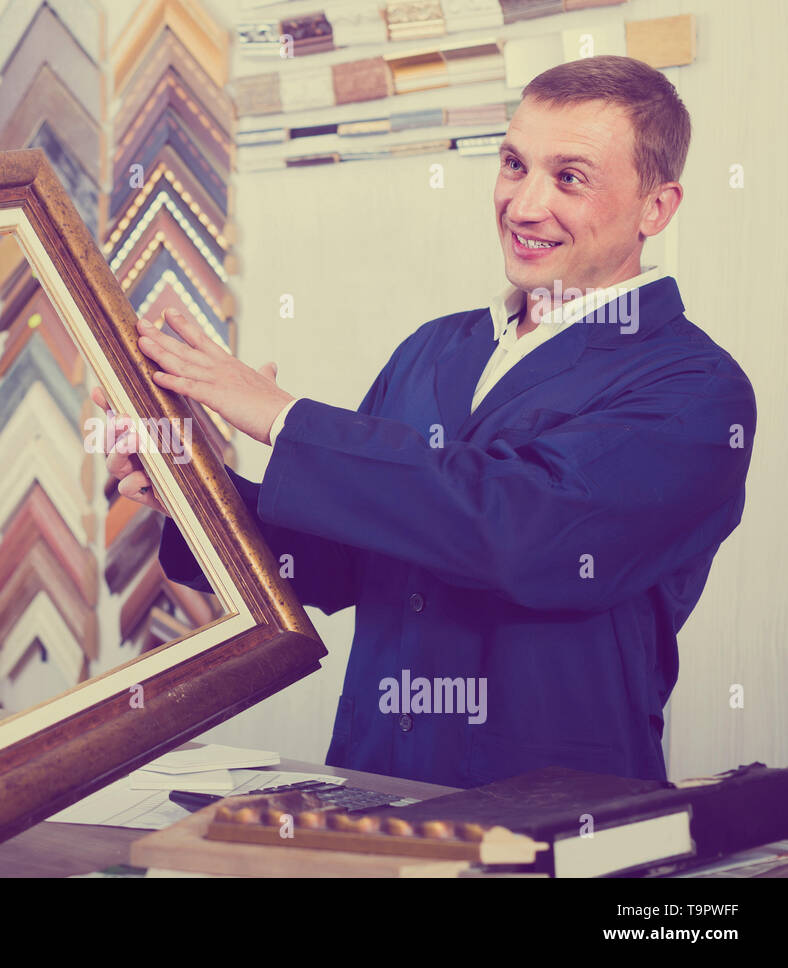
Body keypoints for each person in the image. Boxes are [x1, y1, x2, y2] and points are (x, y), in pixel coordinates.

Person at [95, 56, 755, 789]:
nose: (525, 205)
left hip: (557, 810)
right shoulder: (436, 348)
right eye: (513, 164)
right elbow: (343, 558)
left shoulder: (696, 389)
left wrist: (282, 418)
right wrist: (190, 484)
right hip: (375, 787)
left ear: (656, 208)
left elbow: (524, 533)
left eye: (570, 177)